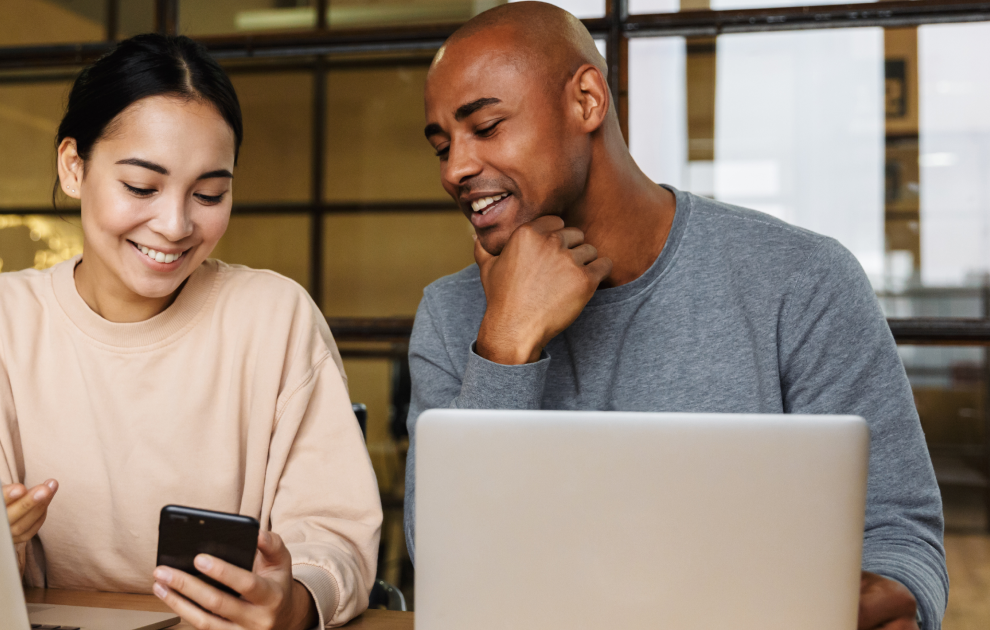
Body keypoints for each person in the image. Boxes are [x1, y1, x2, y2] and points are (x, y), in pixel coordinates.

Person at [403, 3, 946, 630]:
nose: (455, 169)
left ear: (586, 100)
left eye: (487, 126)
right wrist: (505, 344)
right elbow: (446, 571)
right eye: (442, 146)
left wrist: (887, 601)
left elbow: (898, 534)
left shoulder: (800, 279)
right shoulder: (451, 316)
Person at [0, 34, 382, 630]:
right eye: (142, 187)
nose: (175, 225)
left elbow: (336, 536)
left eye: (209, 194)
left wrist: (293, 600)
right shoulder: (2, 317)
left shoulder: (273, 317)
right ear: (73, 167)